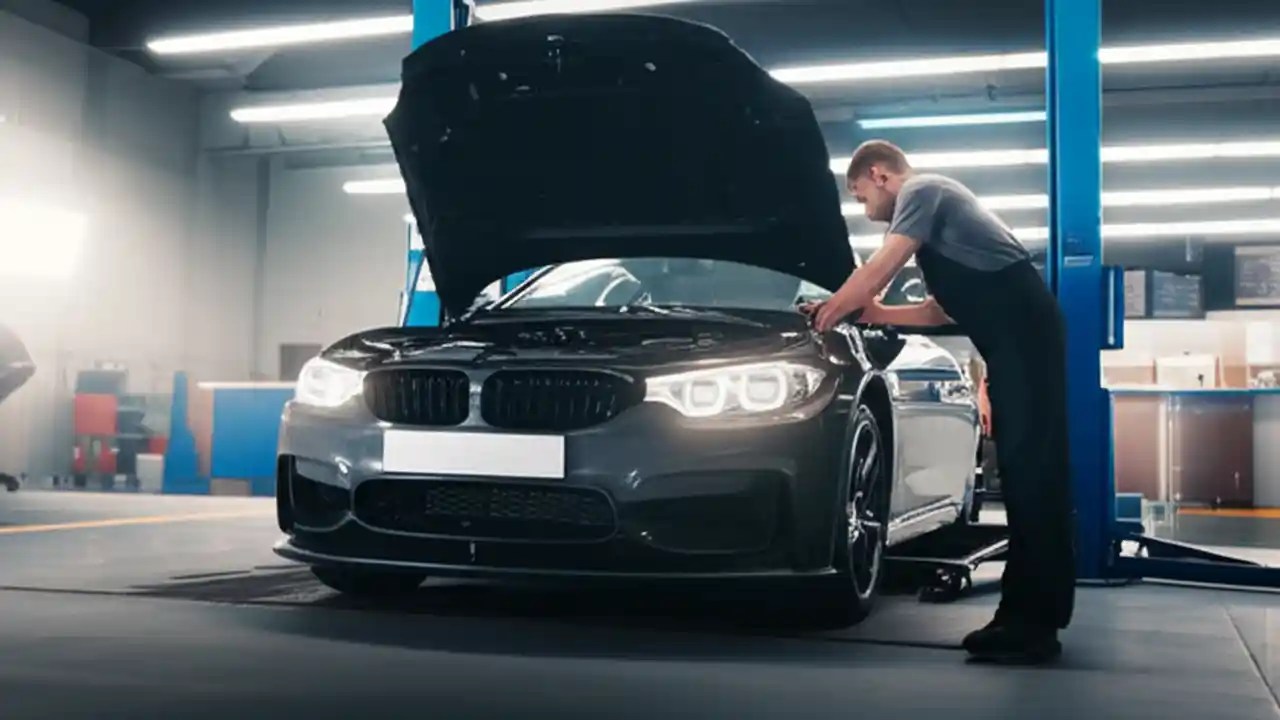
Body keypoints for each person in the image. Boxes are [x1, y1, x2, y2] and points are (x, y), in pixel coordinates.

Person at [805, 140, 1075, 664]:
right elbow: (937, 312)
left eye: (861, 198)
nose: (867, 210)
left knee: (1034, 476)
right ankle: (1027, 618)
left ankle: (1033, 626)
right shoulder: (941, 223)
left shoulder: (924, 190)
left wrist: (831, 311)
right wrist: (873, 315)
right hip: (1014, 345)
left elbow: (882, 266)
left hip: (1026, 342)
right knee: (1025, 475)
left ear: (879, 175)